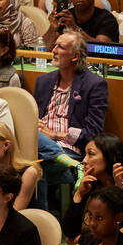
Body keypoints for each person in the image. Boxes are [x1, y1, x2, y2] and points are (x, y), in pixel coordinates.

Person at [34, 32, 108, 186]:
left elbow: (93, 132)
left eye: (60, 47)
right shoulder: (43, 81)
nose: (54, 50)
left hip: (70, 150)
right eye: (55, 45)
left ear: (75, 56)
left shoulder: (94, 85)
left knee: (35, 169)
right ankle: (74, 167)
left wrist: (54, 134)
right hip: (37, 145)